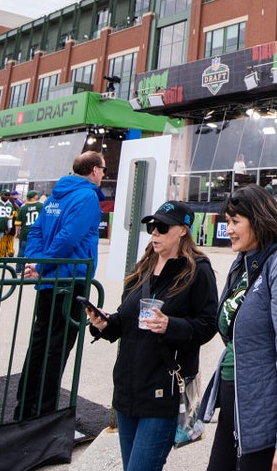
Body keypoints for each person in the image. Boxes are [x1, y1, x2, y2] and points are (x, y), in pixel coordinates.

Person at [86, 201, 218, 471]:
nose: (154, 232)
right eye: (151, 226)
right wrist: (104, 324)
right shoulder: (144, 264)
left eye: (162, 227)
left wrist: (171, 325)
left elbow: (208, 325)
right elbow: (126, 319)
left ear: (183, 230)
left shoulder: (198, 269)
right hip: (127, 389)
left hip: (163, 393)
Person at [200, 186, 277, 471]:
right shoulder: (243, 262)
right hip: (239, 401)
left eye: (235, 222)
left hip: (269, 412)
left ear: (257, 220)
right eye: (227, 222)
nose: (228, 229)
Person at [15, 151, 106, 420]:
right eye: (102, 169)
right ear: (93, 170)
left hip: (50, 280)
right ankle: (45, 412)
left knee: (40, 343)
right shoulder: (87, 196)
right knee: (57, 347)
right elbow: (69, 237)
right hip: (70, 280)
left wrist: (35, 263)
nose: (103, 174)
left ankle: (25, 407)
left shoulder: (55, 196)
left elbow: (37, 232)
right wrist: (41, 265)